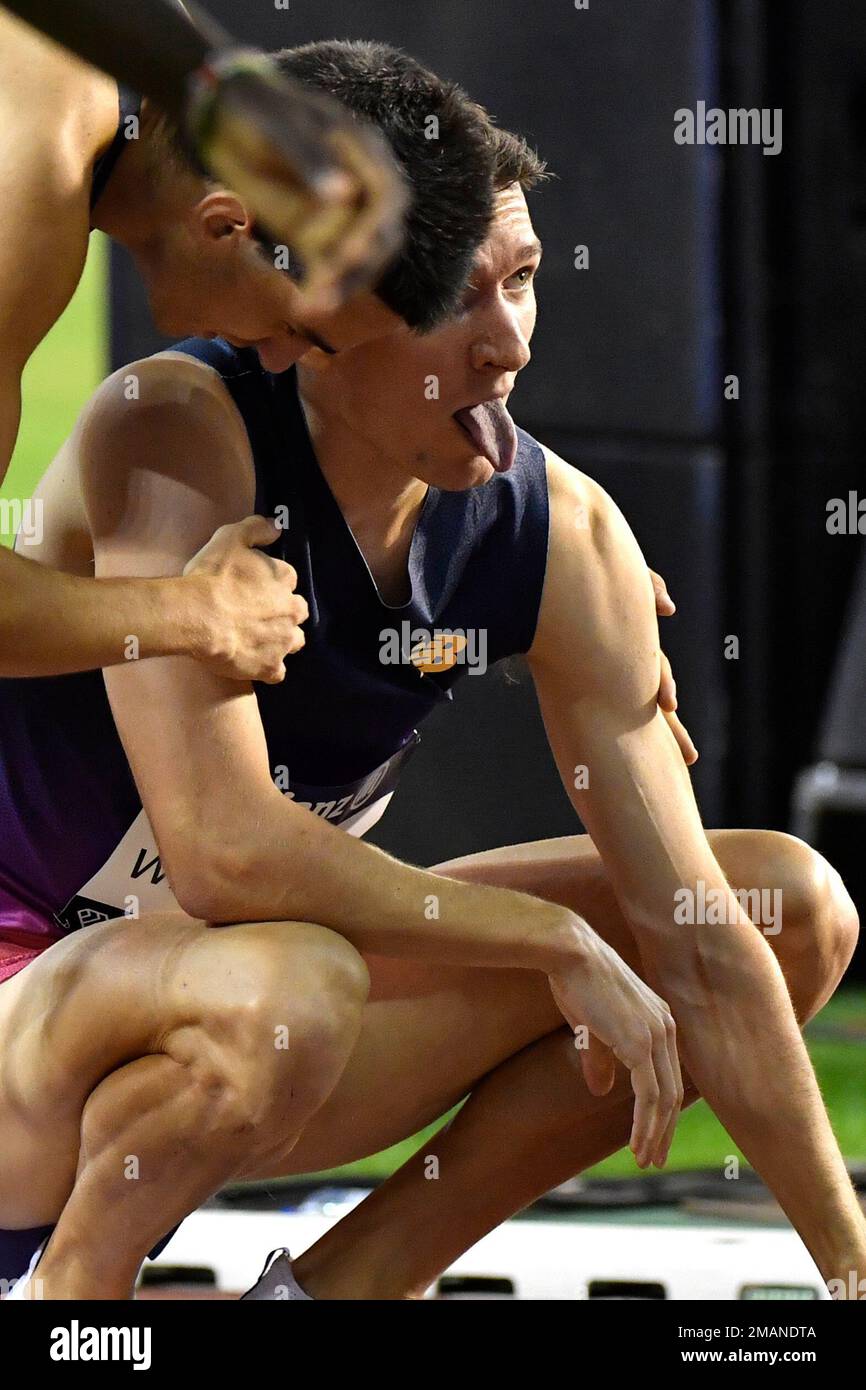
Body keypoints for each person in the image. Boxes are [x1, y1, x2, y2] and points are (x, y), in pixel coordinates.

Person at [2, 134, 861, 1303]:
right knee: (290, 984)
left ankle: (335, 1293)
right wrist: (546, 935)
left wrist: (850, 1270)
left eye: (520, 278)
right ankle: (68, 1311)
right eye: (457, 296)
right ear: (330, 309)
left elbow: (695, 934)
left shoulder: (561, 529)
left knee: (783, 911)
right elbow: (225, 853)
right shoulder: (172, 425)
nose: (507, 345)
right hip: (42, 1024)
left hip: (240, 1033)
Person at [0, 30, 495, 679]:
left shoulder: (128, 62)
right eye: (296, 330)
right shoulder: (25, 212)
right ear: (225, 226)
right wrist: (197, 614)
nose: (277, 360)